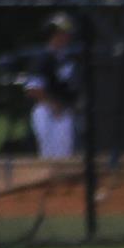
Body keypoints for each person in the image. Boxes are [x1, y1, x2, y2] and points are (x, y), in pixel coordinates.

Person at [26, 14, 78, 159]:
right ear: (53, 34)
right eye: (61, 33)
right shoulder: (42, 57)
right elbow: (32, 89)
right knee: (49, 154)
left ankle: (62, 182)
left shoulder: (67, 57)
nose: (65, 37)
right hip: (46, 110)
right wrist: (52, 104)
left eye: (66, 33)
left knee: (65, 154)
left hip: (64, 110)